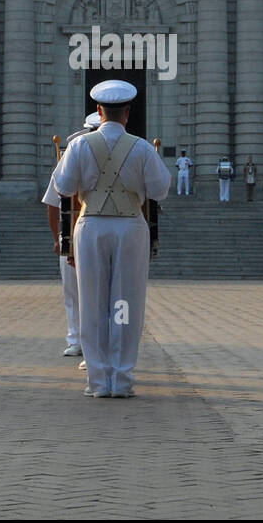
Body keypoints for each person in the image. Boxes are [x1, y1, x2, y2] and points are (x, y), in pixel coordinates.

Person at [54, 79, 170, 397]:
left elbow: (63, 187)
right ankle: (121, 378)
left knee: (91, 302)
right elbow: (160, 191)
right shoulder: (144, 147)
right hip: (130, 226)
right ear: (128, 113)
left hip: (90, 225)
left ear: (98, 111)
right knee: (125, 302)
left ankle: (97, 380)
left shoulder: (78, 145)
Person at [43, 112, 100, 359]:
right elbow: (54, 203)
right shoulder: (66, 161)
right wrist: (58, 237)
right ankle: (77, 339)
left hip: (87, 233)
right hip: (74, 235)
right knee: (74, 292)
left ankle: (89, 340)